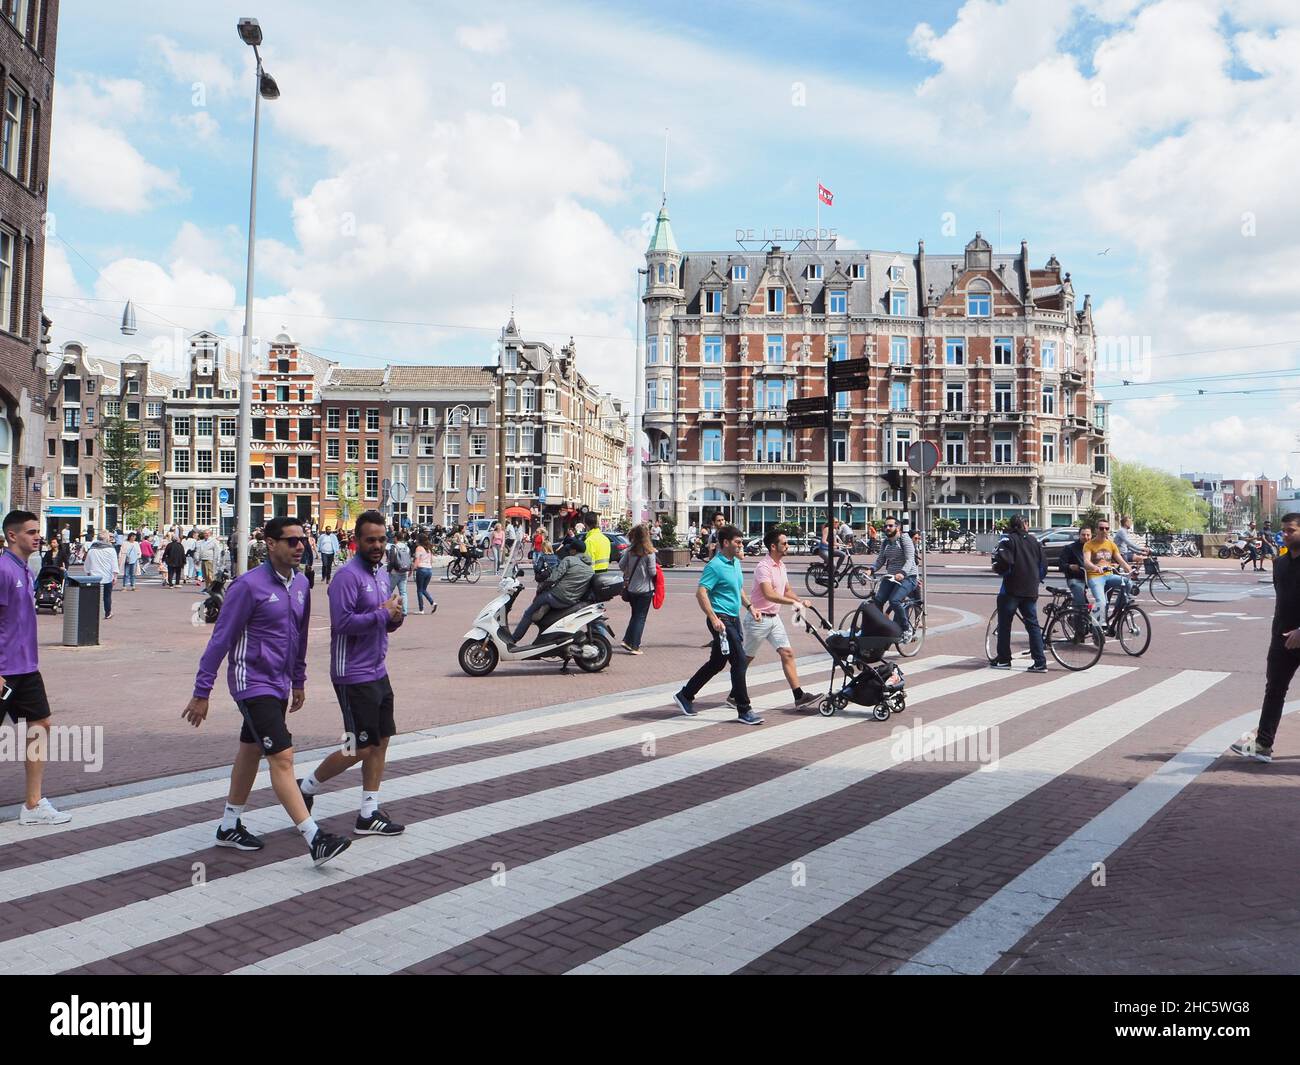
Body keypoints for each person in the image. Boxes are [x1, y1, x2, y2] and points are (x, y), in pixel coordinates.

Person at [183, 516, 351, 866]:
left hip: (279, 683)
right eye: (291, 541)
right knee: (282, 757)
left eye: (302, 541)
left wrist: (299, 680)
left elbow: (300, 636)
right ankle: (315, 838)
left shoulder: (302, 583)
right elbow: (221, 639)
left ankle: (229, 826)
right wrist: (202, 692)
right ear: (270, 544)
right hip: (251, 682)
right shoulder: (247, 586)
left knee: (250, 750)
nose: (299, 547)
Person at [297, 510, 406, 836]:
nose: (377, 545)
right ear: (356, 541)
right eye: (370, 539)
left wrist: (395, 617)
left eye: (381, 539)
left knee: (381, 740)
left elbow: (385, 619)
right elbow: (342, 624)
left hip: (378, 671)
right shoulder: (347, 577)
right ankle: (307, 787)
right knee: (356, 746)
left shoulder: (382, 574)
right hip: (351, 675)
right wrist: (381, 613)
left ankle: (368, 813)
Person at [0, 511, 73, 825]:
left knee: (40, 724)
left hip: (26, 667)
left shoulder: (27, 569)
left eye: (38, 531)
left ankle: (32, 805)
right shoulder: (3, 569)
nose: (38, 536)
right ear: (12, 536)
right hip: (3, 668)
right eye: (31, 532)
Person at [673, 524, 764, 725]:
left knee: (717, 663)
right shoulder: (714, 565)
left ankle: (685, 695)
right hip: (721, 620)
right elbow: (701, 592)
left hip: (734, 618)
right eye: (737, 542)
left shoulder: (734, 563)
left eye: (741, 542)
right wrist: (714, 618)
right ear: (725, 543)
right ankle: (744, 709)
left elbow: (738, 590)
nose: (741, 545)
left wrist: (750, 607)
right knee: (739, 661)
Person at [1231, 513, 1300, 764]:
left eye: (1291, 530)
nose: (1285, 534)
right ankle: (1262, 745)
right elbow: (1282, 600)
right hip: (1281, 638)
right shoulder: (1279, 563)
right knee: (1274, 691)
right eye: (1284, 530)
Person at [729, 527, 819, 709]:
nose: (787, 546)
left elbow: (786, 589)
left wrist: (799, 600)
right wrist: (792, 604)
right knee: (745, 658)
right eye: (784, 543)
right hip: (758, 619)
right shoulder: (763, 567)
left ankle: (799, 696)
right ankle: (733, 695)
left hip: (774, 618)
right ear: (773, 546)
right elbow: (768, 594)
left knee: (787, 653)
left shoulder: (782, 566)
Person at [991, 514, 1048, 673]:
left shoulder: (1007, 540)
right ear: (1025, 525)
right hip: (1031, 589)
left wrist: (1001, 571)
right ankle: (1039, 662)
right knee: (1033, 625)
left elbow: (1003, 562)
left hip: (1011, 589)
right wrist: (1037, 579)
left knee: (1004, 625)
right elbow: (1044, 565)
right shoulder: (1035, 541)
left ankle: (1004, 659)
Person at [511, 544, 594, 645]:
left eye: (570, 550)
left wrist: (542, 588)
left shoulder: (569, 560)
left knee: (529, 612)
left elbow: (554, 577)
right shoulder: (590, 569)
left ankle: (514, 639)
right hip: (571, 601)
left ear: (574, 551)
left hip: (556, 596)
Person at [869, 516, 919, 641]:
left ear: (898, 527)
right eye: (886, 526)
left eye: (891, 525)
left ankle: (906, 629)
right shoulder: (886, 542)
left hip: (908, 577)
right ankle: (880, 626)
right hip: (891, 576)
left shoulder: (905, 539)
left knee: (894, 601)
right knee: (878, 600)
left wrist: (902, 573)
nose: (887, 528)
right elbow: (881, 559)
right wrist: (871, 569)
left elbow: (909, 560)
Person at [1083, 519, 1133, 625]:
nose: (1104, 530)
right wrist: (1094, 567)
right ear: (1096, 530)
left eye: (1107, 528)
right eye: (1101, 528)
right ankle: (1096, 626)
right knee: (1101, 602)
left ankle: (1118, 608)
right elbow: (1086, 561)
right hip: (1095, 577)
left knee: (1128, 583)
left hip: (1109, 576)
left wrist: (1127, 567)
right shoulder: (1089, 545)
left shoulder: (1111, 544)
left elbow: (1119, 559)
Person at [618, 524, 659, 654]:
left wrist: (629, 571)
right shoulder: (649, 553)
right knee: (640, 618)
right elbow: (652, 572)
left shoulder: (630, 551)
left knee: (635, 615)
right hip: (645, 590)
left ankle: (627, 640)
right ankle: (635, 646)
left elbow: (621, 565)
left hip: (631, 589)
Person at [83, 531, 119, 620]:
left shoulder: (92, 549)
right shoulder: (111, 549)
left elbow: (87, 563)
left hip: (94, 576)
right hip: (107, 576)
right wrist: (115, 576)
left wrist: (88, 573)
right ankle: (108, 612)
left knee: (94, 596)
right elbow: (114, 563)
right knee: (107, 596)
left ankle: (92, 612)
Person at [1059, 526, 1093, 611]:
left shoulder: (1094, 548)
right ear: (1079, 535)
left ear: (1091, 536)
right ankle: (1079, 622)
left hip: (1091, 578)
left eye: (1088, 535)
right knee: (1080, 603)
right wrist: (1070, 566)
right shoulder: (1070, 548)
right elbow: (1061, 565)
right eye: (1083, 535)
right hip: (1076, 578)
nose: (1086, 537)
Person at [385, 530, 412, 616]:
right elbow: (409, 559)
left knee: (388, 591)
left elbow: (392, 560)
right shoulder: (406, 547)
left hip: (394, 572)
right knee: (403, 592)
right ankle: (404, 611)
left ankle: (387, 608)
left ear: (396, 538)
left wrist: (388, 569)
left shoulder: (394, 547)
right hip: (404, 571)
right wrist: (410, 569)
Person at [413, 534, 437, 614]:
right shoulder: (428, 549)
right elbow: (431, 560)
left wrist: (412, 569)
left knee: (419, 590)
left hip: (421, 569)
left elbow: (417, 560)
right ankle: (432, 603)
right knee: (423, 589)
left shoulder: (419, 548)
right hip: (429, 570)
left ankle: (421, 609)